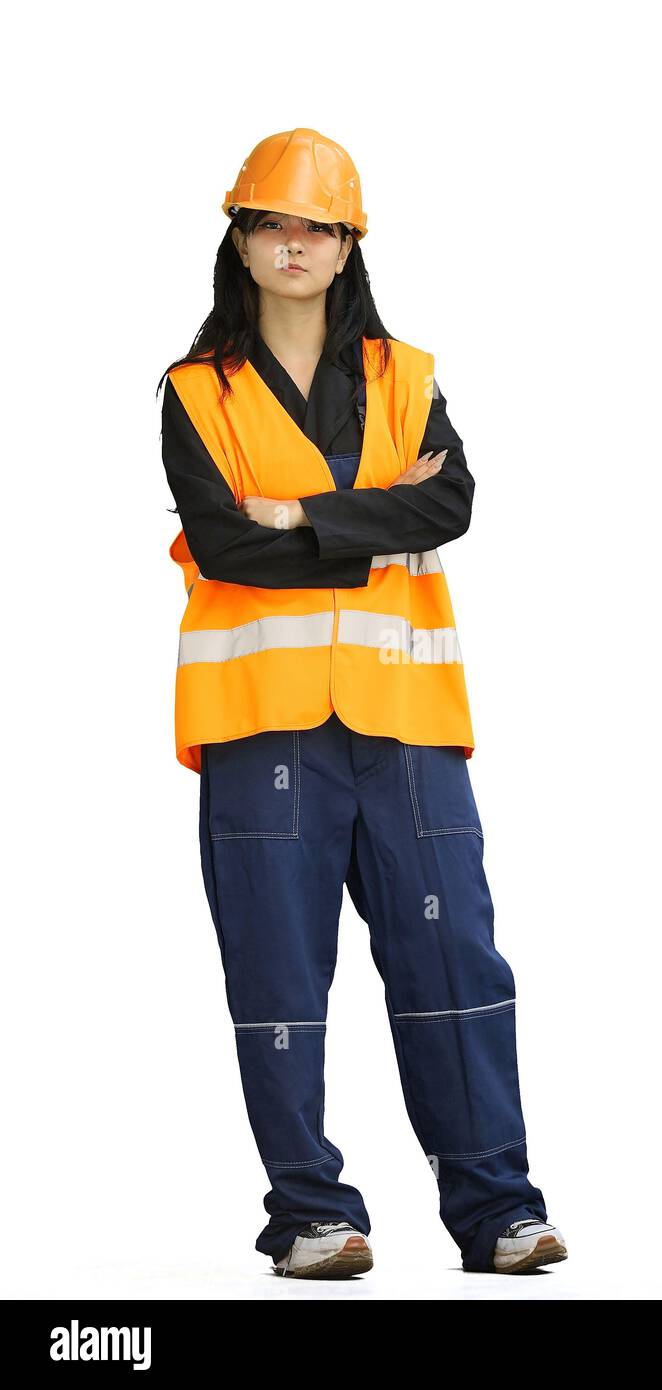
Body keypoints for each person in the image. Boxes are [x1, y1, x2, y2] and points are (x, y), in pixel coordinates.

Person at [157, 127, 567, 1278]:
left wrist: (297, 518)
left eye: (315, 227)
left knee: (456, 969)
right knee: (278, 974)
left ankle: (496, 1209)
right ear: (238, 242)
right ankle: (310, 1216)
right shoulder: (194, 394)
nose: (292, 244)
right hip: (260, 724)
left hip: (405, 727)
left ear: (348, 249)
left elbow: (451, 509)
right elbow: (224, 544)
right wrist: (364, 517)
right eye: (270, 223)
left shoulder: (408, 377)